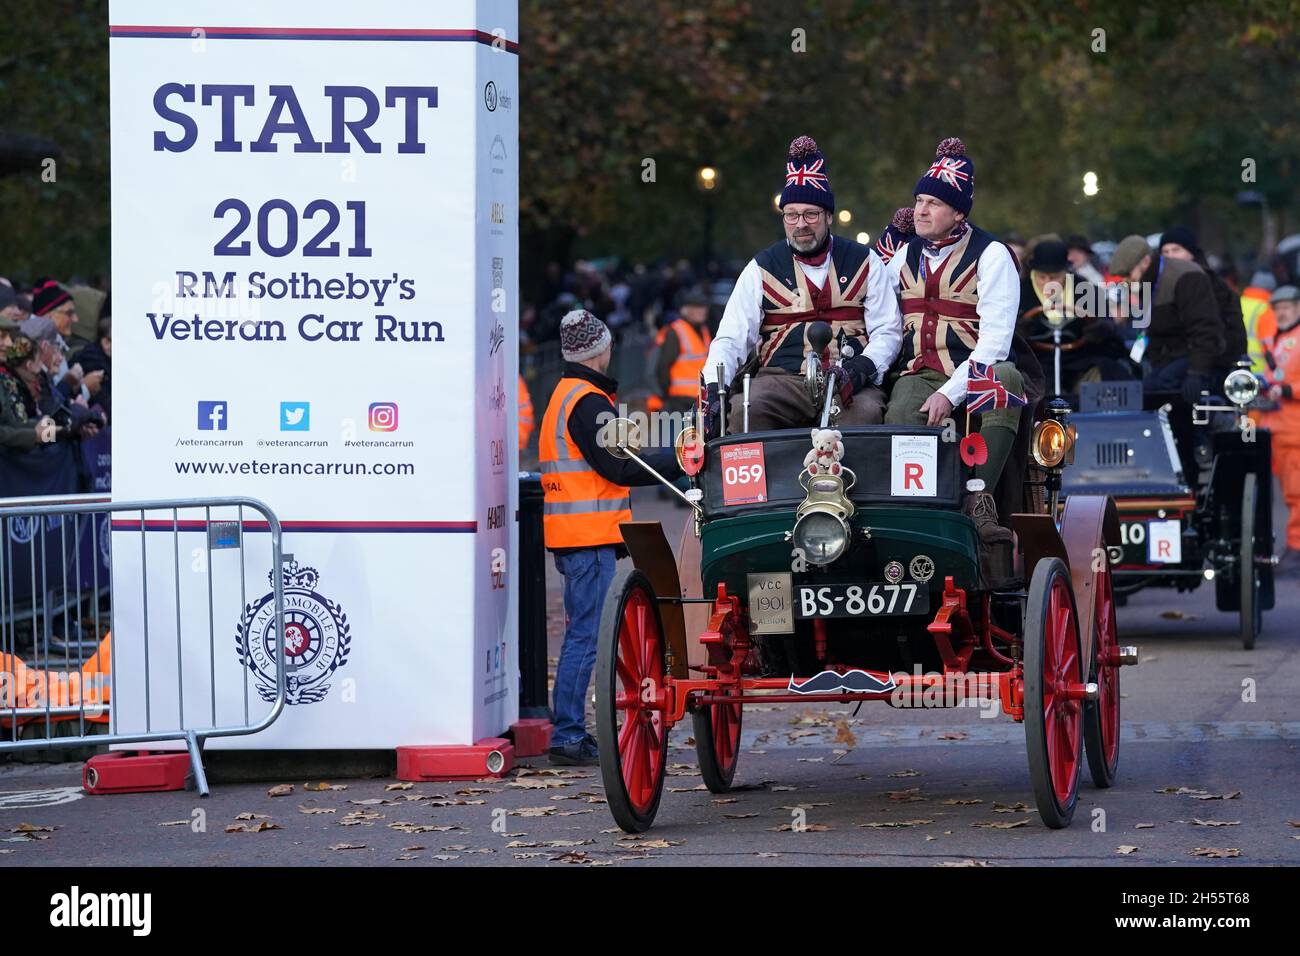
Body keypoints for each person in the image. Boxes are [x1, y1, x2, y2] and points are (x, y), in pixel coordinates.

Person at [539, 309, 683, 765]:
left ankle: (566, 729)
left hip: (573, 534)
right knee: (587, 636)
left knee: (580, 634)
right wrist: (680, 460)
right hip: (589, 537)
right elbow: (619, 467)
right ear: (602, 348)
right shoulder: (588, 401)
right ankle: (567, 735)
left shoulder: (566, 395)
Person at [702, 135, 900, 434]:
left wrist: (863, 367)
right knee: (747, 409)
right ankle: (757, 482)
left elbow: (887, 330)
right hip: (781, 380)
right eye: (791, 215)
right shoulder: (761, 268)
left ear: (829, 216)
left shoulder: (866, 261)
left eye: (811, 214)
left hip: (848, 382)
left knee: (866, 415)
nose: (800, 224)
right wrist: (715, 388)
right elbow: (732, 338)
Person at [884, 137, 1024, 542]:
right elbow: (880, 320)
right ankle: (912, 515)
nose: (921, 210)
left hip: (973, 372)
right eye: (919, 200)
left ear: (958, 212)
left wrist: (950, 393)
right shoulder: (903, 256)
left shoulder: (992, 254)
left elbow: (996, 340)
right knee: (902, 407)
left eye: (933, 203)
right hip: (918, 372)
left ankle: (979, 503)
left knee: (1006, 381)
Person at [1107, 234, 1224, 402]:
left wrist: (1196, 373)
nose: (1126, 281)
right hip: (1170, 359)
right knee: (1144, 391)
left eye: (1128, 274)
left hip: (1194, 358)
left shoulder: (1186, 276)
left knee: (1160, 387)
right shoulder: (1147, 282)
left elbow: (1205, 329)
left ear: (1146, 262)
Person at [1016, 239, 1130, 393]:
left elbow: (1108, 325)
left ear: (1066, 272)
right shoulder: (1019, 291)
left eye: (1055, 277)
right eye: (1042, 277)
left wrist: (1100, 329)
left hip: (1080, 359)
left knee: (1107, 369)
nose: (1048, 283)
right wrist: (1019, 330)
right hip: (1037, 360)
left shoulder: (1086, 289)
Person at [1160, 226, 1249, 379]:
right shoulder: (1160, 286)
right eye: (1165, 252)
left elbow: (1218, 330)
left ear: (1191, 253)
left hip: (1211, 367)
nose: (1171, 257)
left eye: (1176, 250)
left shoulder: (1210, 283)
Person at [1258, 286, 1300, 577]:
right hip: (1278, 430)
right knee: (1287, 493)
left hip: (1294, 431)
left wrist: (1284, 389)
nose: (1281, 312)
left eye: (1286, 306)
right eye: (1278, 307)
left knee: (1297, 494)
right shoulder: (1280, 339)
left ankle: (1297, 549)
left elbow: (1287, 384)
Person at [649, 289, 712, 417]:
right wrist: (667, 395)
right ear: (685, 309)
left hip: (700, 398)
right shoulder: (675, 331)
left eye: (703, 307)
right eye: (696, 307)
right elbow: (663, 367)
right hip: (680, 401)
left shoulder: (704, 331)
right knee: (681, 435)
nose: (702, 311)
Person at [1241, 270, 1278, 377]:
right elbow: (1268, 345)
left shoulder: (1237, 301)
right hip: (1257, 369)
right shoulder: (1267, 309)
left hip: (1235, 367)